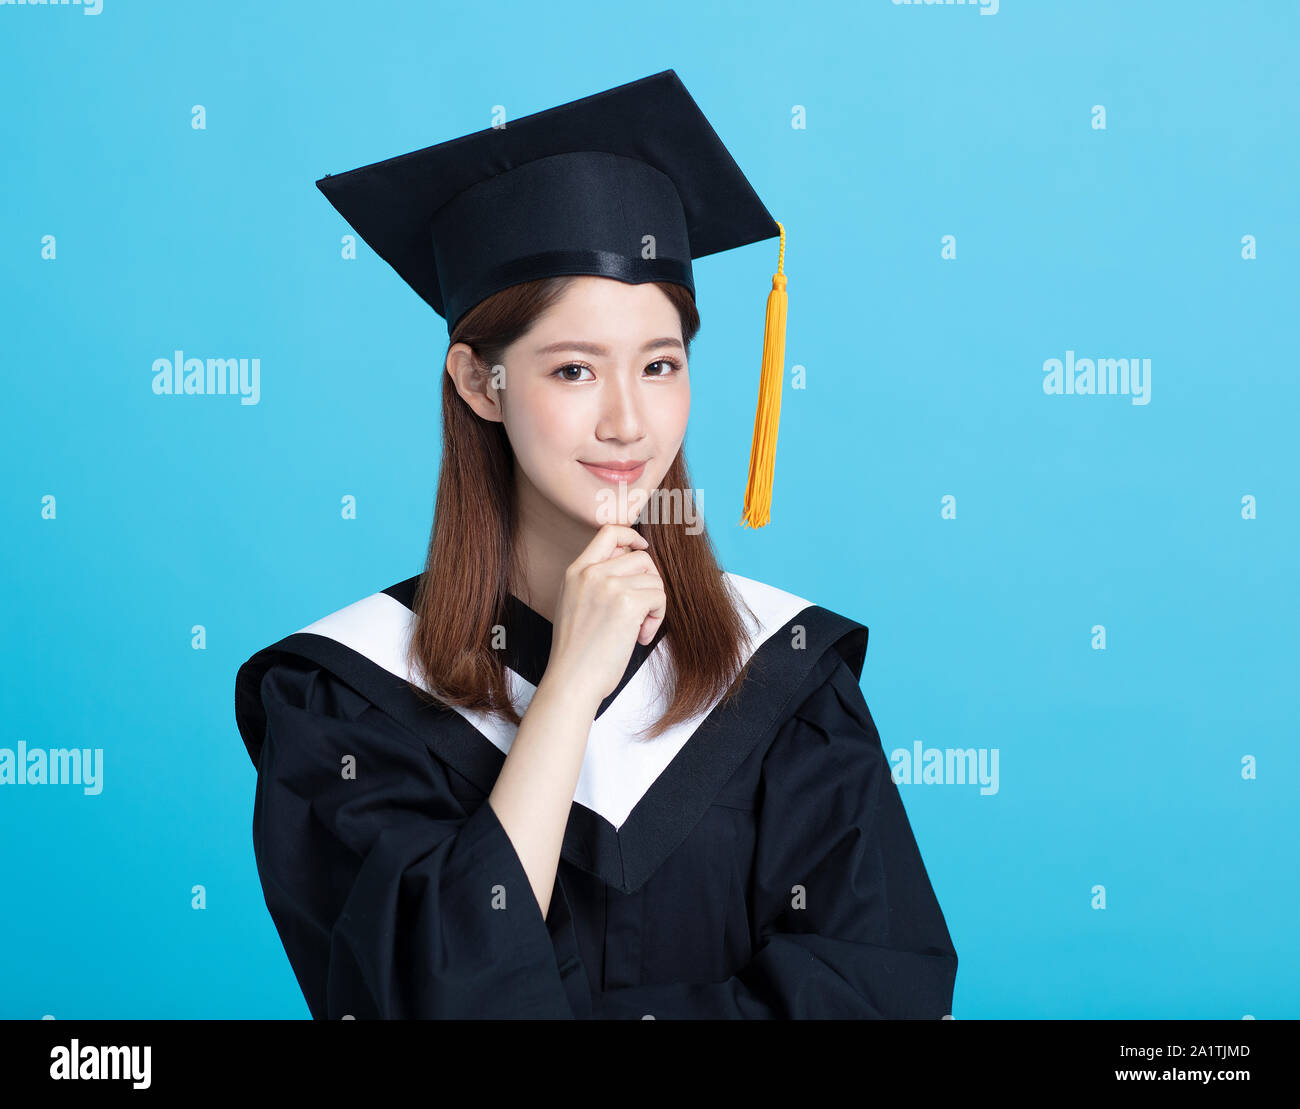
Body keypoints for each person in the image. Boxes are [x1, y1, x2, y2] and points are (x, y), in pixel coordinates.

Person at [234, 69, 958, 1019]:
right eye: (573, 368)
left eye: (660, 364)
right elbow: (421, 1000)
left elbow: (881, 991)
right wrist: (569, 685)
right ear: (479, 383)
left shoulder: (784, 674)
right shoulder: (346, 699)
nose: (628, 420)